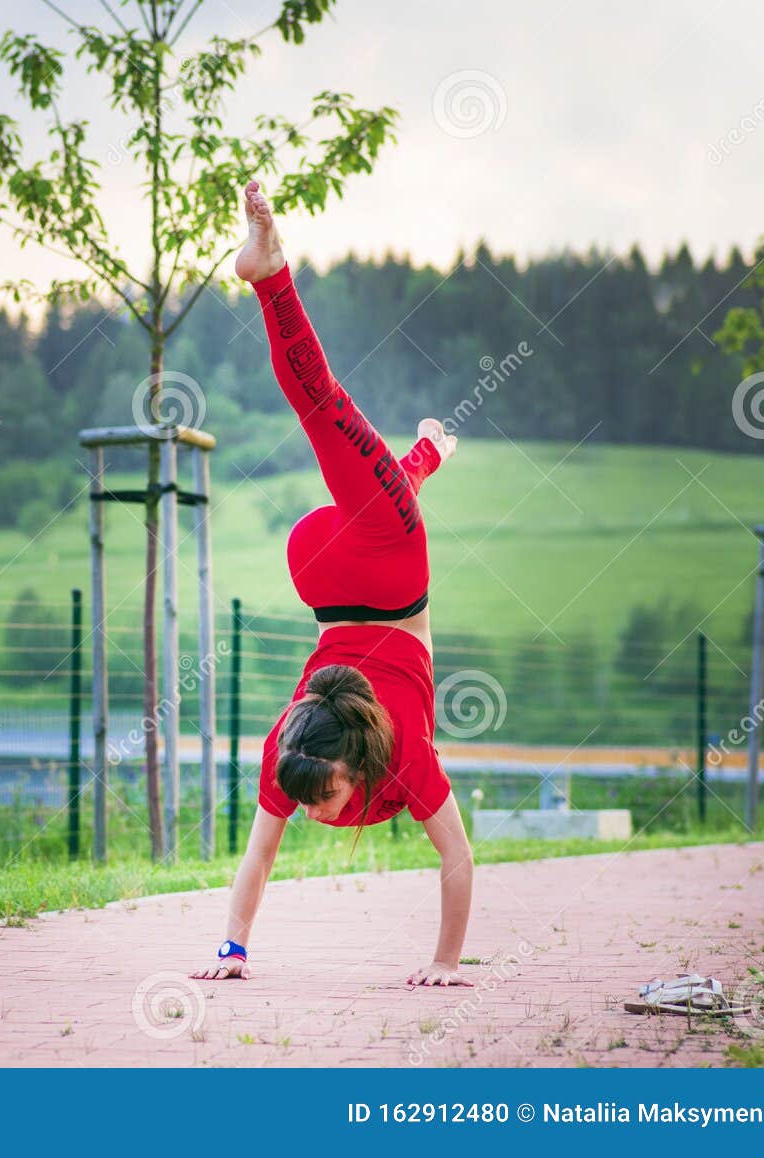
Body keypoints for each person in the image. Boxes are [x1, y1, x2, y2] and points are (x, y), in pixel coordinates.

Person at [191, 181, 475, 988]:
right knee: (381, 488)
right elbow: (458, 858)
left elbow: (452, 858)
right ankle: (425, 455)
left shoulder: (301, 739)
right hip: (380, 564)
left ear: (343, 763)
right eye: (317, 801)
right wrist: (232, 954)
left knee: (324, 409)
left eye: (320, 799)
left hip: (330, 574)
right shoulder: (380, 753)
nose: (314, 812)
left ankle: (270, 272)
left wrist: (445, 964)